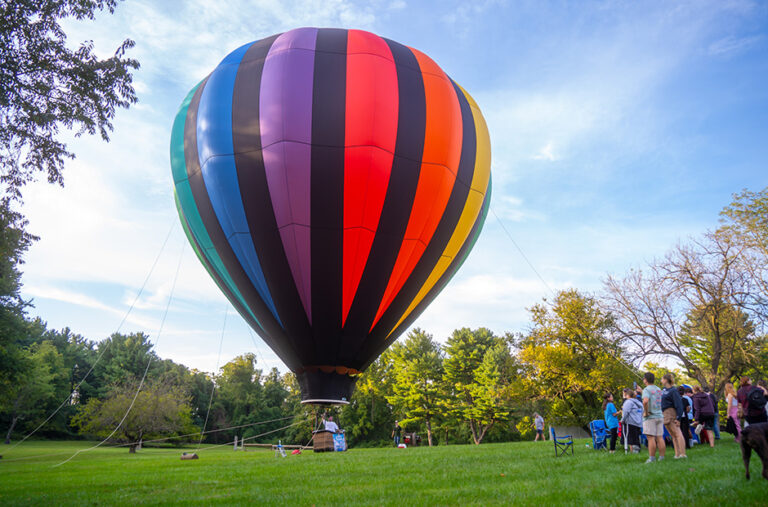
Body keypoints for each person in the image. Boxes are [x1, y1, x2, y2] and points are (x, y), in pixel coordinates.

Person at [660, 374, 687, 458]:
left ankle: (683, 453)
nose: (661, 380)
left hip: (671, 412)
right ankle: (677, 454)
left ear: (666, 380)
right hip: (664, 413)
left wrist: (678, 418)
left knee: (677, 433)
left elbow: (679, 404)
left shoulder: (673, 390)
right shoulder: (664, 390)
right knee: (672, 435)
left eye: (662, 379)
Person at [642, 372, 665, 463]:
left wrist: (646, 412)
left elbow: (645, 401)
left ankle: (652, 458)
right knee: (660, 437)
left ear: (646, 380)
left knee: (651, 438)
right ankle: (662, 458)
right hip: (659, 415)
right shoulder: (659, 389)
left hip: (650, 417)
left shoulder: (646, 390)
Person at [621, 388, 643, 453]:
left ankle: (634, 451)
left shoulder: (628, 402)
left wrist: (622, 420)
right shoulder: (638, 402)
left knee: (631, 438)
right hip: (638, 422)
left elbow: (625, 412)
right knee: (636, 437)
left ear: (627, 395)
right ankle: (637, 450)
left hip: (630, 422)